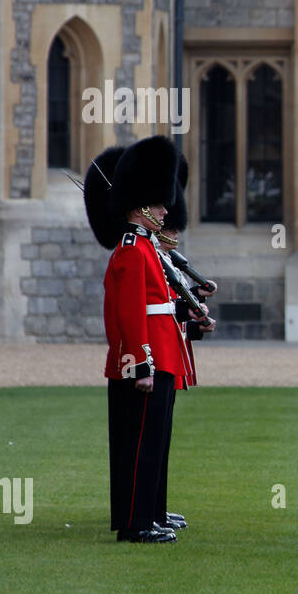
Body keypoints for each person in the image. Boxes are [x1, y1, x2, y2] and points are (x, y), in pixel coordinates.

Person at [83, 135, 188, 544]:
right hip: (143, 360)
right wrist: (140, 364)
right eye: (159, 203)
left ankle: (148, 515)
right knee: (138, 447)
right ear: (142, 205)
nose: (166, 209)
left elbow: (158, 305)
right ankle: (134, 524)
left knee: (151, 445)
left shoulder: (145, 248)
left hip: (159, 353)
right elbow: (126, 317)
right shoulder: (130, 250)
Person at [152, 155, 217, 532]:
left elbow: (166, 308)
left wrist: (192, 317)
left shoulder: (159, 256)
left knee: (160, 440)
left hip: (166, 351)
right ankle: (144, 514)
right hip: (152, 357)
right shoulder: (137, 251)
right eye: (167, 221)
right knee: (148, 440)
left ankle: (154, 510)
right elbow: (141, 312)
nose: (170, 227)